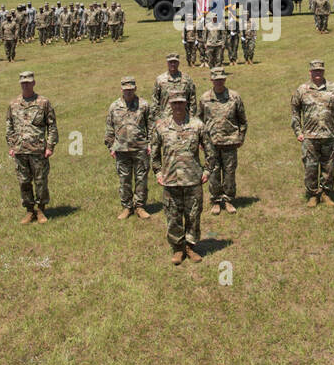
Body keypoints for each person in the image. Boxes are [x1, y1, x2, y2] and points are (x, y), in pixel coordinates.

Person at [151, 94, 210, 265]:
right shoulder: (161, 126)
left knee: (193, 214)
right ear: (169, 104)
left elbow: (209, 149)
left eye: (181, 103)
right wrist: (158, 172)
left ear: (186, 104)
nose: (177, 106)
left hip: (193, 179)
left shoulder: (197, 125)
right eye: (174, 103)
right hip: (170, 179)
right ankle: (178, 248)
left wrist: (206, 170)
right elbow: (154, 151)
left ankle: (190, 246)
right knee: (173, 215)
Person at [6, 71, 58, 225]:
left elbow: (52, 126)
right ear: (20, 84)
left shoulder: (43, 102)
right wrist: (11, 145)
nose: (26, 85)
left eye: (28, 82)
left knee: (41, 181)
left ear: (34, 83)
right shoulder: (13, 104)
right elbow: (9, 126)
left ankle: (41, 209)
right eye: (23, 83)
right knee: (24, 182)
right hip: (20, 150)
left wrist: (50, 146)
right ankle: (29, 210)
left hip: (38, 151)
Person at [290, 59, 334, 206]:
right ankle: (313, 194)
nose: (317, 74)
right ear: (310, 72)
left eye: (320, 71)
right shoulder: (302, 90)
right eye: (315, 71)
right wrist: (298, 131)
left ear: (323, 71)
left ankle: (326, 193)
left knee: (329, 167)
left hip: (329, 135)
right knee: (310, 167)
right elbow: (295, 111)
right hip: (309, 136)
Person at [198, 67, 247, 215]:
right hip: (211, 142)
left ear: (224, 79)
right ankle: (216, 200)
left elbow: (242, 120)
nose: (219, 82)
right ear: (211, 80)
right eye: (216, 79)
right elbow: (199, 121)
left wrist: (241, 137)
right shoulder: (205, 98)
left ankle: (228, 200)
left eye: (221, 79)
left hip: (230, 141)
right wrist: (200, 141)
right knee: (213, 172)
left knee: (229, 173)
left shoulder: (234, 97)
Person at [105, 76, 153, 220]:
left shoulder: (144, 105)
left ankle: (139, 206)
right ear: (121, 90)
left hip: (140, 148)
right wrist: (111, 147)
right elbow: (109, 128)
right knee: (124, 180)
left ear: (135, 89)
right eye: (126, 90)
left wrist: (150, 144)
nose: (129, 92)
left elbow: (151, 126)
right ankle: (127, 207)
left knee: (141, 178)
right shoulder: (114, 106)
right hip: (121, 150)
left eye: (131, 89)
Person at [152, 54, 196, 120]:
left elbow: (192, 99)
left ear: (178, 63)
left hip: (184, 118)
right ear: (167, 63)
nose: (173, 64)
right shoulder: (160, 80)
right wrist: (158, 118)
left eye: (175, 62)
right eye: (170, 62)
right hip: (165, 118)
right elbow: (155, 100)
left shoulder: (187, 79)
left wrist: (191, 116)